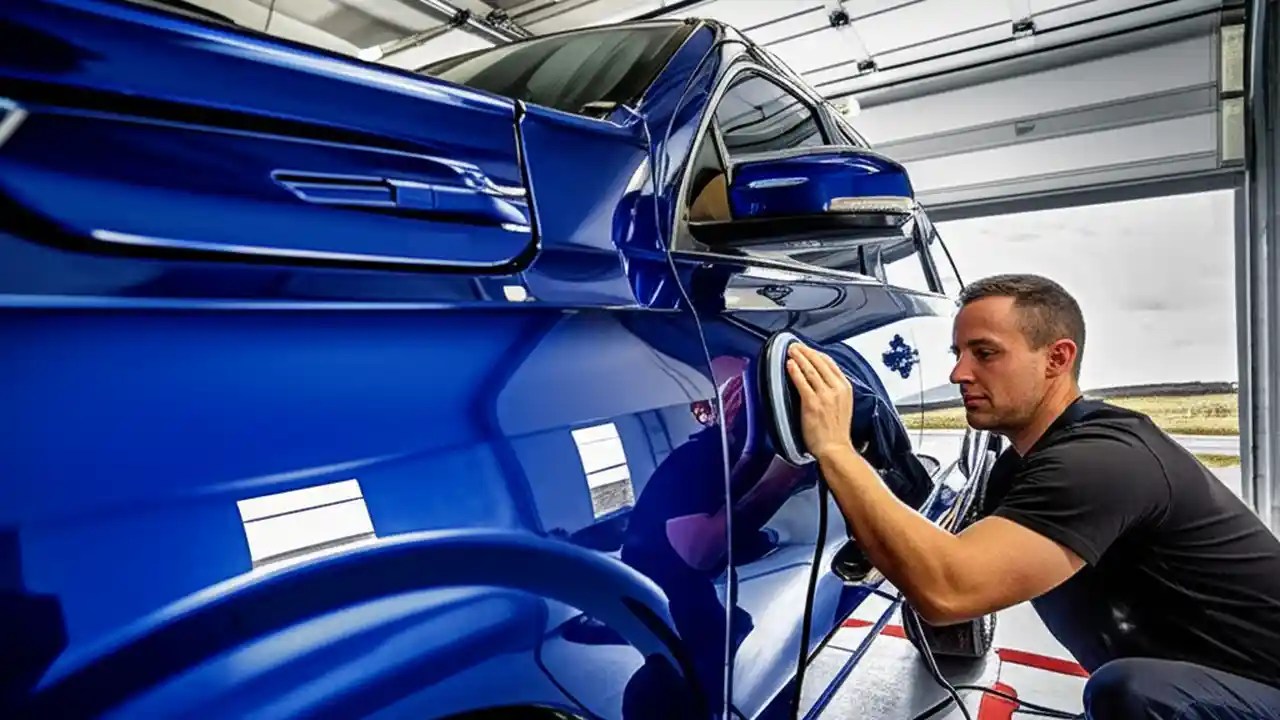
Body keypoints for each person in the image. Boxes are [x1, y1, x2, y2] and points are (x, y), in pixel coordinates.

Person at [785, 273, 1280, 719]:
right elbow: (934, 548)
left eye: (985, 353)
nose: (959, 374)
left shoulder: (1100, 461)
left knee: (1134, 692)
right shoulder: (1019, 466)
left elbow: (949, 590)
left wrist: (834, 448)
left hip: (1259, 691)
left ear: (1057, 358)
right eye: (956, 355)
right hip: (1212, 684)